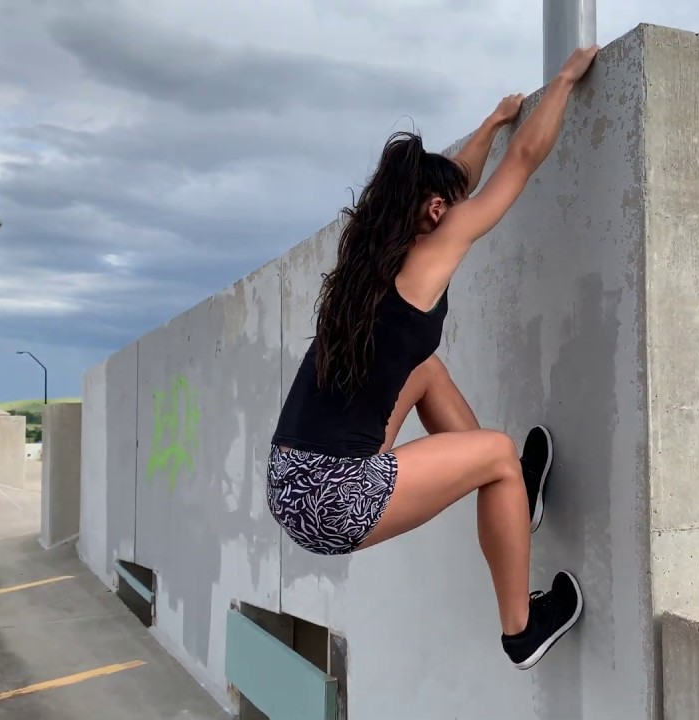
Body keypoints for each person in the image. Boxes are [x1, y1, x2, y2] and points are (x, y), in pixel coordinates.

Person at [267, 45, 600, 670]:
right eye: (449, 200)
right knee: (501, 453)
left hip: (290, 479)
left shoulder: (366, 259)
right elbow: (523, 163)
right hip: (336, 497)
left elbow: (454, 178)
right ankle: (521, 629)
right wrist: (563, 82)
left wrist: (491, 123)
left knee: (424, 367)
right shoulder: (425, 262)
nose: (459, 198)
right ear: (436, 212)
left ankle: (511, 503)